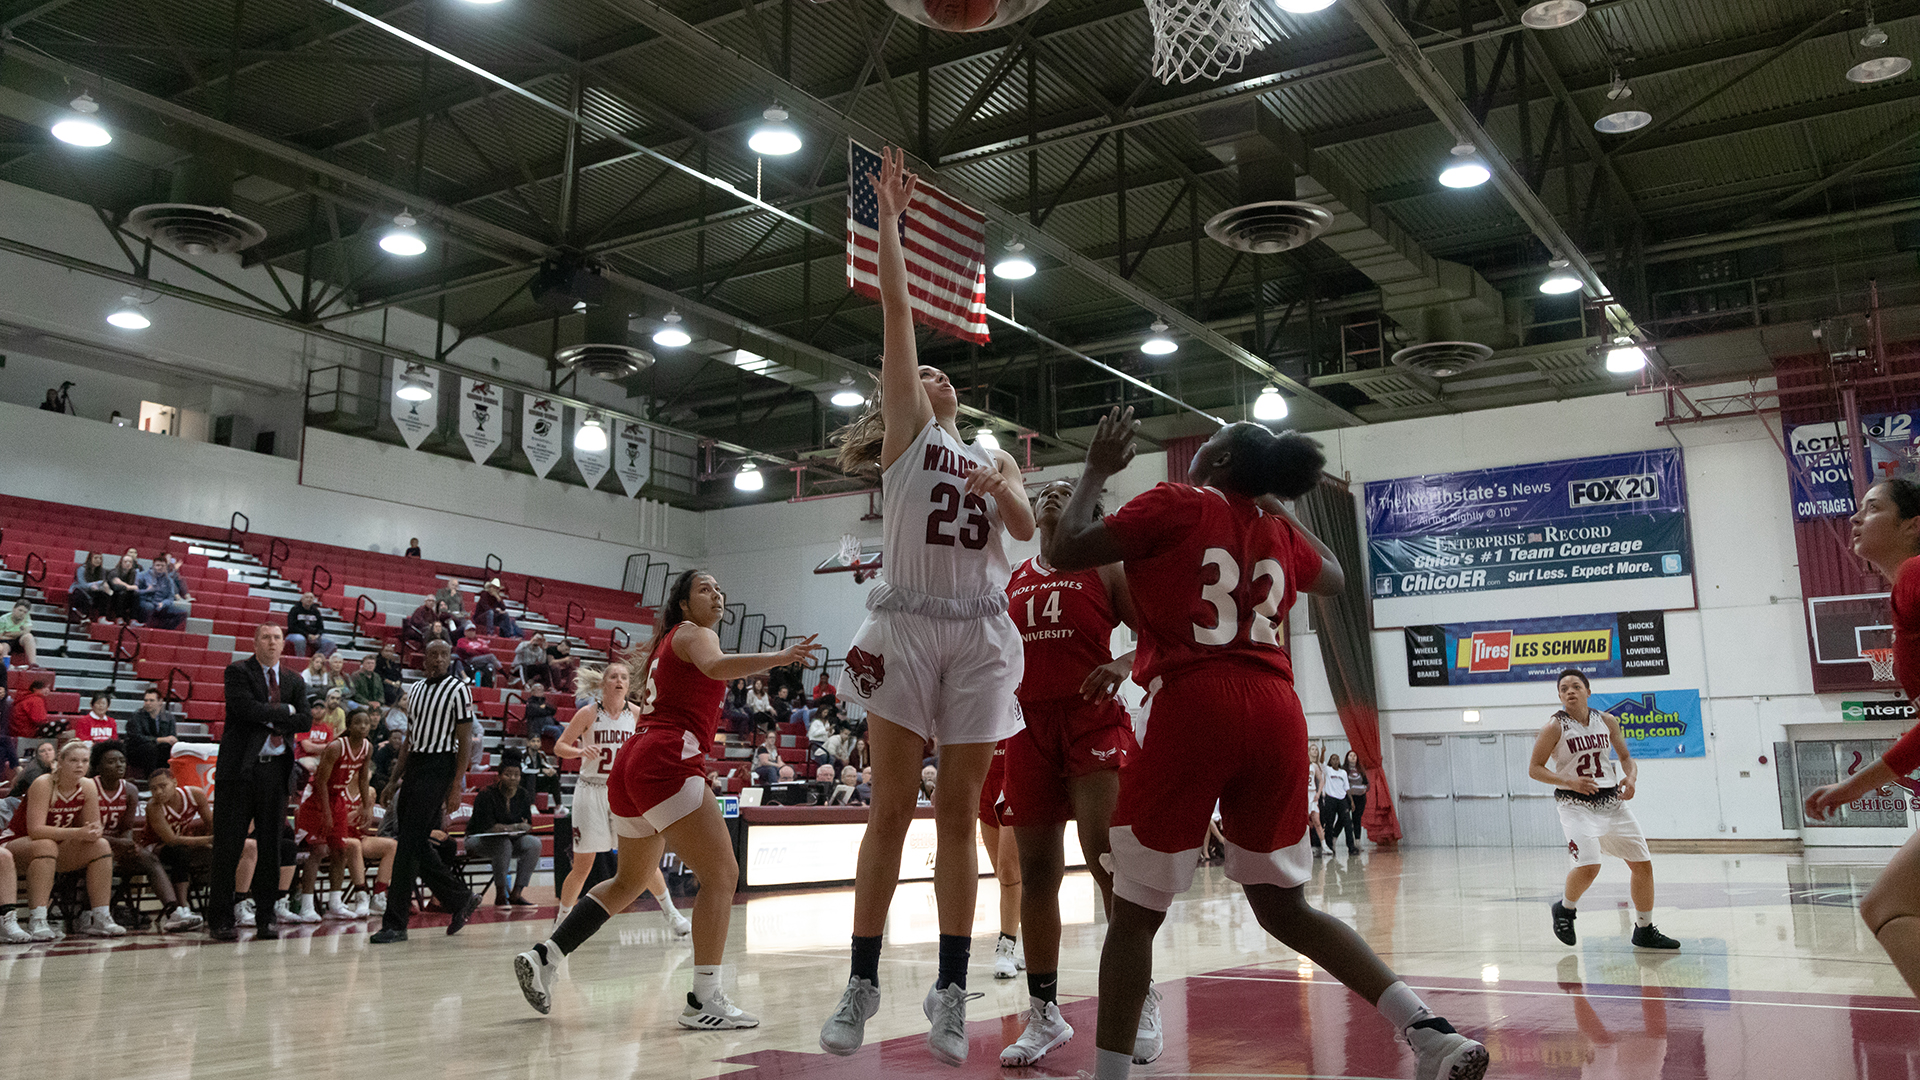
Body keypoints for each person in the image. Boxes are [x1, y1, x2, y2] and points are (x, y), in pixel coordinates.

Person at [1045, 408, 1487, 1080]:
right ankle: (1427, 1030)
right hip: (1277, 712)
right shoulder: (1275, 527)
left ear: (1221, 464)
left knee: (1133, 912)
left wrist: (1097, 471)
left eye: (1214, 444)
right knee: (1284, 905)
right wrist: (1275, 504)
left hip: (1196, 703)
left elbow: (1063, 549)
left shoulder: (1175, 501)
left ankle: (1109, 1076)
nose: (1201, 448)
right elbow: (1335, 572)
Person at [816, 148, 1036, 1068]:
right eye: (923, 376)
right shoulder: (908, 436)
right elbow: (900, 319)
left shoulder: (991, 453)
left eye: (948, 376)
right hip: (908, 625)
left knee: (961, 820)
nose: (936, 375)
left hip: (981, 630)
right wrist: (891, 226)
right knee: (891, 814)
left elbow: (1024, 529)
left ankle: (951, 988)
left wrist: (1003, 482)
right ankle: (862, 980)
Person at [514, 569, 822, 1028]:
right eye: (705, 589)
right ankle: (704, 1000)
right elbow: (717, 668)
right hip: (665, 758)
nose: (717, 594)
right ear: (682, 603)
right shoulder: (695, 633)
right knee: (722, 875)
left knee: (628, 881)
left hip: (633, 763)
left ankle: (546, 955)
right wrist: (781, 656)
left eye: (721, 589)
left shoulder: (670, 641)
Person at [1000, 477, 1143, 1065]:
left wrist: (1121, 662)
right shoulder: (1012, 577)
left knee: (1105, 858)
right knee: (1036, 873)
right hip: (1027, 726)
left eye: (1066, 489)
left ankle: (1142, 998)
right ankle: (1045, 1015)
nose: (1053, 495)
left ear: (1091, 508)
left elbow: (1153, 636)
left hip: (1092, 720)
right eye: (1045, 492)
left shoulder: (1107, 565)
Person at [1805, 477, 1920, 994]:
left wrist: (1854, 787)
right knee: (1886, 905)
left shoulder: (1916, 575)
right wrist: (1853, 788)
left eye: (1872, 509)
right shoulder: (1905, 588)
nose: (1855, 518)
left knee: (1886, 905)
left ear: (1912, 525)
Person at [1528, 668, 1678, 952]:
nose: (1569, 691)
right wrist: (1567, 780)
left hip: (1611, 802)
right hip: (1574, 803)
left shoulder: (1607, 721)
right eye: (1563, 689)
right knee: (1589, 866)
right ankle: (1565, 909)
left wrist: (1630, 778)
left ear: (1588, 691)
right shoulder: (1554, 727)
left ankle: (1644, 929)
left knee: (1642, 864)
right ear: (1560, 696)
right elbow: (1534, 769)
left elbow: (1625, 757)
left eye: (1575, 686)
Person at [551, 660, 688, 935]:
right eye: (613, 676)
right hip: (591, 790)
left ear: (628, 684)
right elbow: (559, 746)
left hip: (623, 791)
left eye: (624, 677)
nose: (619, 680)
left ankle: (672, 915)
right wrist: (579, 752)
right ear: (603, 683)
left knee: (642, 861)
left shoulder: (637, 715)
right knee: (583, 864)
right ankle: (560, 922)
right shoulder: (588, 714)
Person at [371, 640, 481, 943]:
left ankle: (395, 923)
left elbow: (466, 739)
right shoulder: (416, 690)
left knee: (407, 845)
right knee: (413, 841)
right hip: (416, 764)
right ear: (424, 659)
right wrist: (394, 779)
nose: (438, 659)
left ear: (449, 659)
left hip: (440, 765)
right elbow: (409, 738)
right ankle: (460, 898)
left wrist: (456, 784)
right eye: (433, 654)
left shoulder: (459, 690)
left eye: (444, 654)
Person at [207, 624, 310, 941]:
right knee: (229, 847)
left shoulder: (294, 679)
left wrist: (272, 713)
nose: (272, 642)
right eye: (266, 637)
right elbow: (244, 709)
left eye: (277, 637)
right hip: (239, 771)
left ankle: (267, 918)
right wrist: (284, 711)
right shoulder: (237, 671)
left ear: (283, 644)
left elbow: (305, 719)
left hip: (275, 772)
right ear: (255, 642)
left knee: (271, 848)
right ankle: (221, 919)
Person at [4, 739, 126, 938]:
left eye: (84, 761)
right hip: (16, 843)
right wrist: (78, 833)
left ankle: (101, 917)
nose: (80, 765)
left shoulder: (88, 786)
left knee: (101, 845)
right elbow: (35, 830)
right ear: (60, 761)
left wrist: (93, 831)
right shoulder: (44, 783)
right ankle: (38, 919)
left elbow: (94, 827)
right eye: (73, 760)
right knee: (46, 844)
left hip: (54, 847)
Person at [91, 740, 202, 930]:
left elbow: (126, 828)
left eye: (122, 761)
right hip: (91, 844)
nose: (119, 765)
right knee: (102, 853)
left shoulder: (130, 790)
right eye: (111, 761)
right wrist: (121, 843)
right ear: (98, 766)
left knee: (149, 859)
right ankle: (90, 912)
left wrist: (127, 845)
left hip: (116, 844)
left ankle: (173, 912)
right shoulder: (89, 787)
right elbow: (89, 830)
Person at [291, 708, 377, 921]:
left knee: (340, 850)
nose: (364, 726)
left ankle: (335, 903)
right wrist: (326, 814)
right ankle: (307, 906)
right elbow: (320, 781)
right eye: (359, 723)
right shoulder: (336, 746)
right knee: (319, 850)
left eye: (367, 723)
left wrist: (367, 807)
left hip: (337, 797)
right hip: (317, 798)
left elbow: (363, 779)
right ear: (349, 725)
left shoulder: (368, 747)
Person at [143, 768, 233, 926]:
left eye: (163, 786)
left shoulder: (195, 795)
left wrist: (213, 842)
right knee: (179, 852)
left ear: (175, 782)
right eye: (153, 789)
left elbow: (211, 822)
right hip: (155, 848)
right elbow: (170, 840)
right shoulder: (153, 806)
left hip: (185, 844)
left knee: (220, 853)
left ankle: (227, 904)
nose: (158, 792)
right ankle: (183, 905)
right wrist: (208, 840)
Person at [467, 758, 543, 907]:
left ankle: (516, 893)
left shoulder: (523, 795)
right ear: (499, 776)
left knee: (534, 843)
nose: (513, 778)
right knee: (503, 843)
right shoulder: (486, 794)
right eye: (508, 774)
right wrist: (516, 827)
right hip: (478, 840)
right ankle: (501, 894)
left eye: (517, 774)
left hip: (510, 840)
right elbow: (490, 828)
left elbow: (527, 824)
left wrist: (514, 828)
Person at [124, 688, 181, 778]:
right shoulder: (136, 716)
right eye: (146, 700)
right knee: (150, 748)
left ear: (160, 702)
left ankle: (168, 778)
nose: (148, 703)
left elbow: (172, 736)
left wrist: (172, 741)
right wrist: (159, 740)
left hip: (159, 749)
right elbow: (136, 738)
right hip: (138, 750)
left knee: (170, 748)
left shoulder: (169, 717)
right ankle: (151, 779)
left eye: (151, 700)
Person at [136, 552, 193, 629]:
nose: (160, 568)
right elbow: (136, 592)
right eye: (158, 565)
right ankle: (147, 630)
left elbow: (170, 597)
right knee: (149, 607)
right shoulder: (143, 576)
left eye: (162, 566)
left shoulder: (169, 580)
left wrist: (163, 603)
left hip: (162, 603)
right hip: (147, 602)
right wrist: (147, 591)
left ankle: (163, 629)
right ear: (153, 566)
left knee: (183, 613)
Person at [1321, 750, 1356, 856]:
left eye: (1337, 759)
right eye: (1333, 759)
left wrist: (1352, 801)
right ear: (1330, 761)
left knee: (1348, 824)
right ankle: (1330, 847)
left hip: (1342, 799)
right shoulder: (1327, 770)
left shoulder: (1343, 773)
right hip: (1330, 799)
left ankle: (1351, 847)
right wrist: (1323, 752)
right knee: (1329, 824)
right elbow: (1321, 762)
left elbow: (1347, 788)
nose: (1335, 761)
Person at [284, 591, 335, 657]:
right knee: (300, 639)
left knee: (330, 643)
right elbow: (292, 627)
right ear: (302, 599)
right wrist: (307, 635)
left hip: (313, 636)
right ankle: (301, 660)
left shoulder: (316, 612)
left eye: (311, 598)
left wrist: (318, 635)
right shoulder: (294, 610)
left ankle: (316, 659)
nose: (309, 599)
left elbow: (321, 628)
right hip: (295, 634)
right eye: (307, 597)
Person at [68, 552, 113, 620]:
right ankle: (83, 616)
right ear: (90, 559)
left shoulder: (102, 571)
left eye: (100, 558)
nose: (98, 560)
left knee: (104, 595)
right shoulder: (82, 569)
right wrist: (92, 585)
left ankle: (102, 617)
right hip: (80, 589)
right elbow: (81, 584)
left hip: (94, 591)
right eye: (95, 558)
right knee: (80, 594)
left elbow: (102, 583)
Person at [105, 552, 141, 622]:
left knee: (136, 595)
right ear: (121, 563)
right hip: (114, 597)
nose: (128, 564)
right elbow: (116, 587)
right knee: (122, 593)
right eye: (125, 562)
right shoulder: (114, 572)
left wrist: (124, 585)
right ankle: (119, 618)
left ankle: (133, 620)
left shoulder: (134, 573)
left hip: (128, 597)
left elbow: (137, 587)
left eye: (130, 562)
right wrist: (129, 587)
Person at [0, 600, 38, 667]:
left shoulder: (26, 617)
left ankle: (33, 664)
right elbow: (0, 636)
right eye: (20, 610)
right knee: (4, 646)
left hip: (17, 640)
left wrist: (10, 634)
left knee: (29, 637)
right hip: (5, 641)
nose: (22, 613)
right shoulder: (3, 619)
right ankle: (4, 666)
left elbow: (27, 631)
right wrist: (18, 633)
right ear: (14, 609)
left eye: (25, 612)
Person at [1344, 750, 1369, 847]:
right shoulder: (1344, 770)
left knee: (1357, 819)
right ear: (1347, 757)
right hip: (1349, 797)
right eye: (1351, 755)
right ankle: (1339, 839)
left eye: (1355, 755)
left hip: (1360, 797)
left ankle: (1357, 842)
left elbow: (1366, 783)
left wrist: (1364, 789)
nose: (1353, 757)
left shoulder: (1360, 769)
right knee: (1345, 819)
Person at [370, 729, 405, 795]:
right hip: (383, 779)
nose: (397, 741)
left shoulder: (403, 753)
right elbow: (378, 771)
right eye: (394, 738)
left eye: (399, 739)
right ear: (389, 739)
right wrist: (390, 781)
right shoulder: (382, 752)